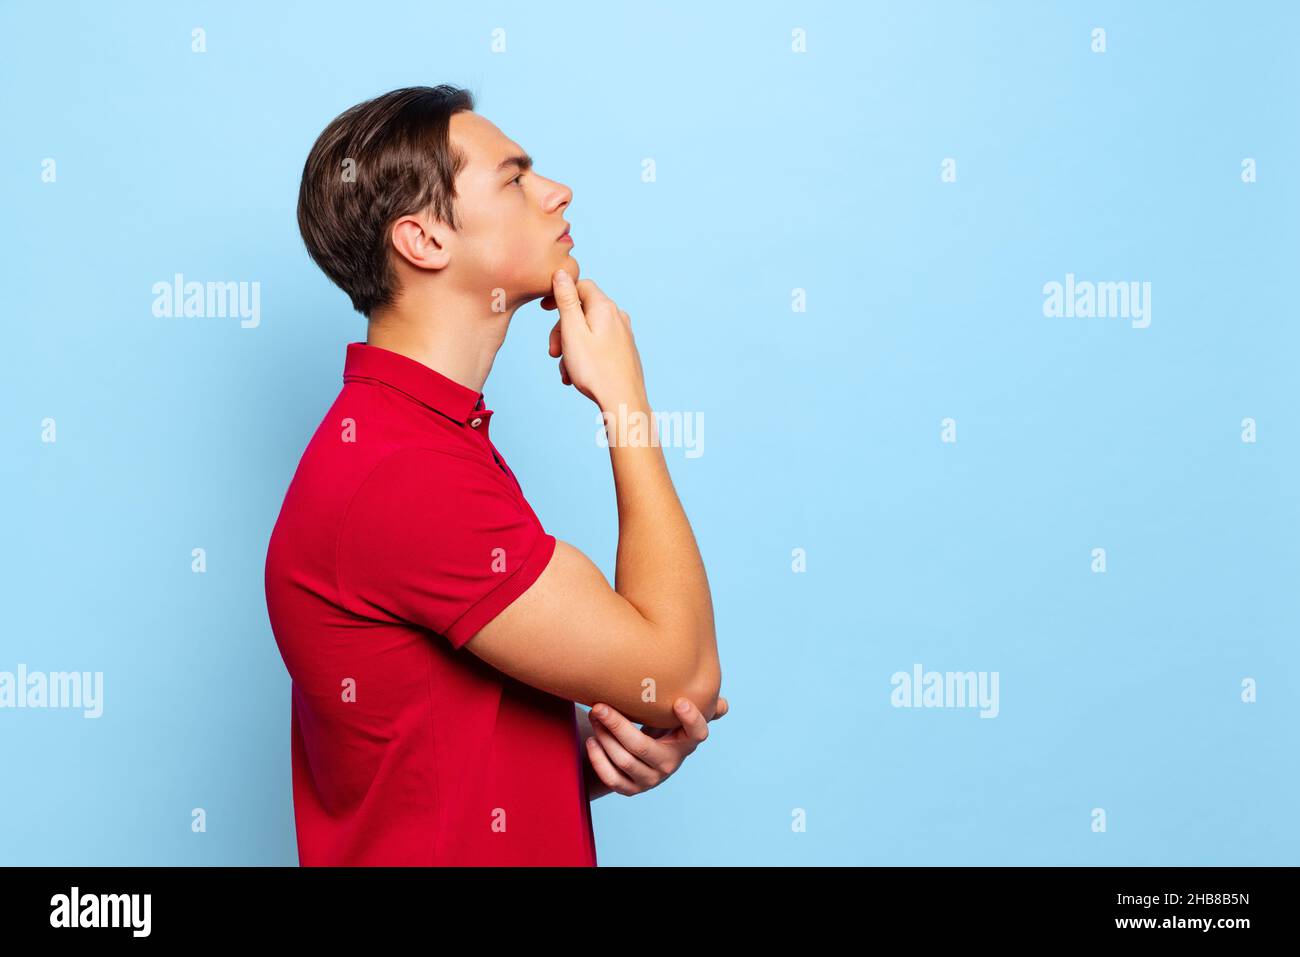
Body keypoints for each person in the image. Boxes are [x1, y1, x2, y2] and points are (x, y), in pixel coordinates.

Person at [263, 85, 725, 866]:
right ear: (424, 240)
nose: (555, 192)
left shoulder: (417, 439)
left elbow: (422, 752)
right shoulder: (403, 472)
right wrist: (625, 402)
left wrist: (590, 754)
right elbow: (682, 668)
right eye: (513, 179)